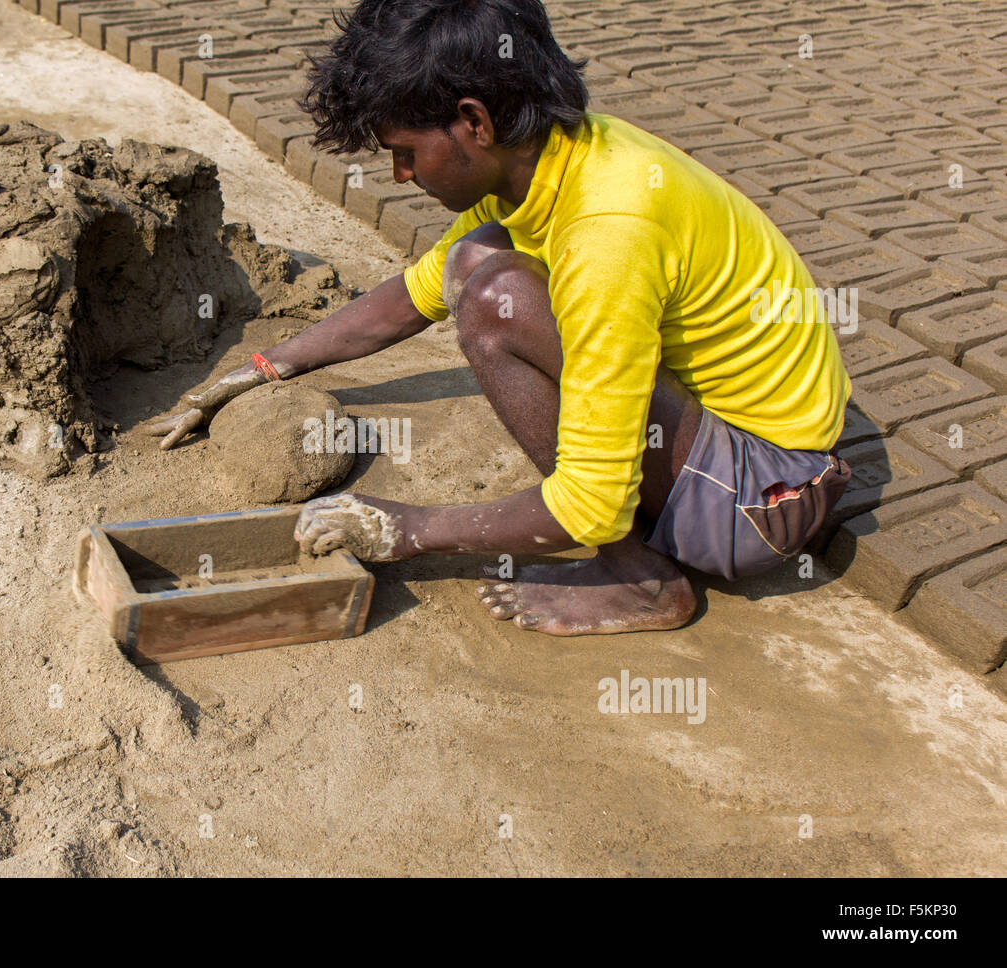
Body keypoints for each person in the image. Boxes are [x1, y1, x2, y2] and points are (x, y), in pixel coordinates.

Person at [142, 0, 853, 636]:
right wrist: (257, 370)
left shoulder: (609, 228)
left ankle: (640, 581)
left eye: (404, 153)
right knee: (474, 264)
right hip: (720, 443)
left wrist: (407, 530)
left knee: (493, 299)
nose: (399, 175)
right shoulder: (544, 157)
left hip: (761, 498)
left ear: (473, 122)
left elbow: (590, 501)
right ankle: (642, 551)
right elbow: (411, 297)